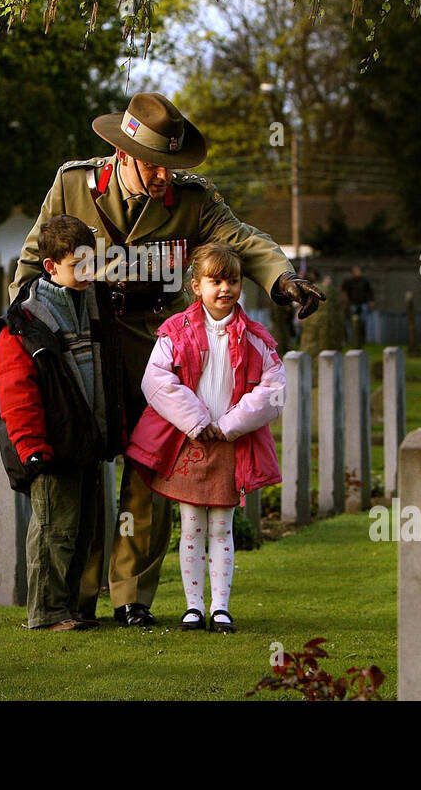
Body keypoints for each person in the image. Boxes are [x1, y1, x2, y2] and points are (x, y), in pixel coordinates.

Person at [10, 91, 324, 627]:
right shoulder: (73, 185)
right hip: (85, 340)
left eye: (172, 167)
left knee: (151, 467)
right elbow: (34, 261)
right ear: (123, 154)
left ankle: (131, 596)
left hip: (158, 345)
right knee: (81, 461)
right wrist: (21, 337)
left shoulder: (193, 200)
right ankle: (79, 597)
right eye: (155, 166)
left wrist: (282, 278)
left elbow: (242, 241)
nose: (164, 179)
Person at [124, 243, 285, 632]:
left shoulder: (256, 337)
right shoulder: (175, 331)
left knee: (222, 528)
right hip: (189, 443)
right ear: (196, 285)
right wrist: (196, 420)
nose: (225, 289)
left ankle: (221, 607)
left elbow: (274, 389)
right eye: (215, 281)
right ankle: (193, 606)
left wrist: (230, 425)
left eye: (232, 280)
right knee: (193, 525)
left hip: (230, 443)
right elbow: (157, 381)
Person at [0, 215, 124, 630]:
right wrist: (32, 449)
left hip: (87, 443)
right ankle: (47, 613)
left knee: (83, 534)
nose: (88, 272)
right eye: (77, 265)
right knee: (54, 533)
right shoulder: (24, 323)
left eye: (92, 262)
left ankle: (74, 610)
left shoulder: (93, 304)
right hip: (51, 449)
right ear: (50, 267)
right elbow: (17, 396)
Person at [342, 265, 375, 338]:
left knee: (363, 322)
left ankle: (362, 338)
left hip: (363, 303)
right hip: (352, 304)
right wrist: (345, 302)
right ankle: (353, 338)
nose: (359, 273)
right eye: (357, 271)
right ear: (353, 273)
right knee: (352, 322)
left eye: (359, 271)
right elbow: (344, 292)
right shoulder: (348, 281)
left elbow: (369, 292)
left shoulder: (364, 281)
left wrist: (371, 301)